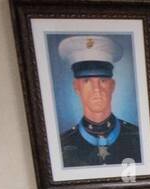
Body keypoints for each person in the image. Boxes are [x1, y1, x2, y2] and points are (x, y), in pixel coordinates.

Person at [56, 35, 142, 167]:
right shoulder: (62, 145)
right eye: (87, 81)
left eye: (103, 80)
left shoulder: (138, 138)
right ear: (76, 87)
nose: (97, 89)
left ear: (112, 85)